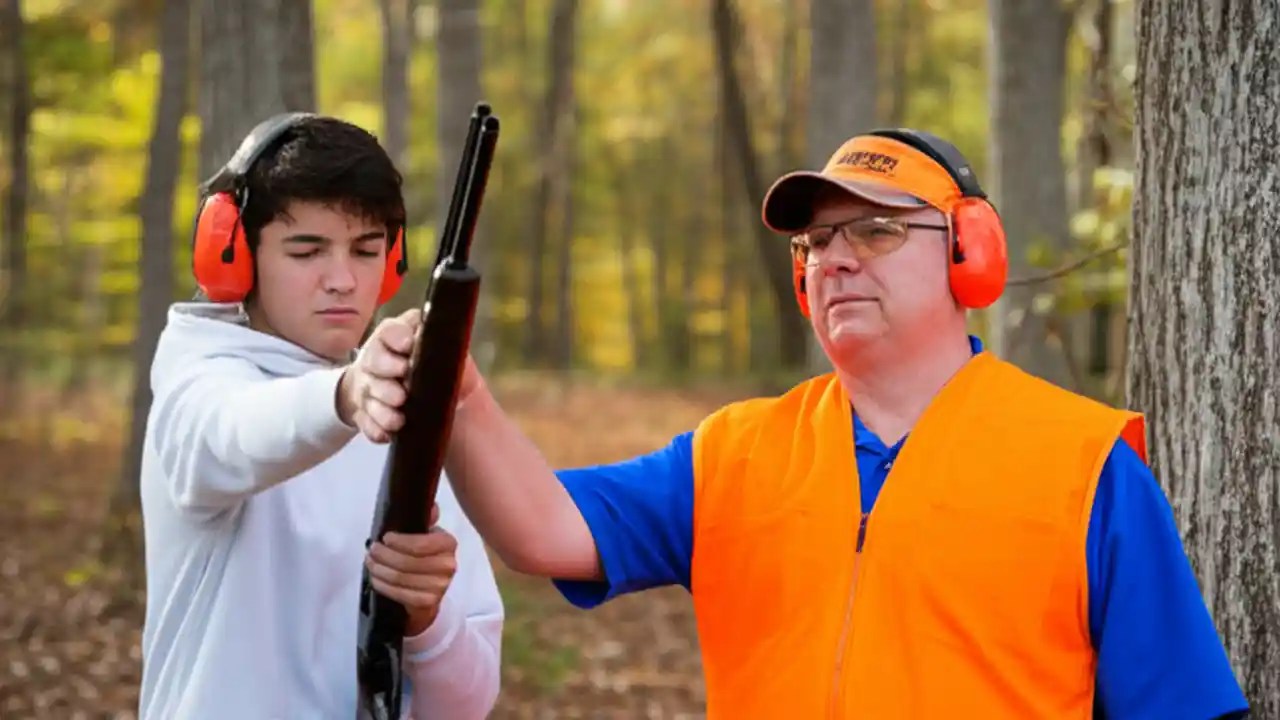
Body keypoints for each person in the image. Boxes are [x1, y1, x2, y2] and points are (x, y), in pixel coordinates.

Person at [353, 128, 1250, 719]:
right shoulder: (739, 452)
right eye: (817, 243)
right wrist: (462, 397)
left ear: (970, 256)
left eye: (875, 233)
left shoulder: (1080, 463)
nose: (836, 260)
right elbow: (545, 529)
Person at [137, 113, 503, 719]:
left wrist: (426, 625)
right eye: (307, 250)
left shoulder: (406, 415)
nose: (342, 281)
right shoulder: (196, 381)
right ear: (235, 255)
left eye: (366, 251)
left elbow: (468, 704)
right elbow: (233, 435)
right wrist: (347, 395)